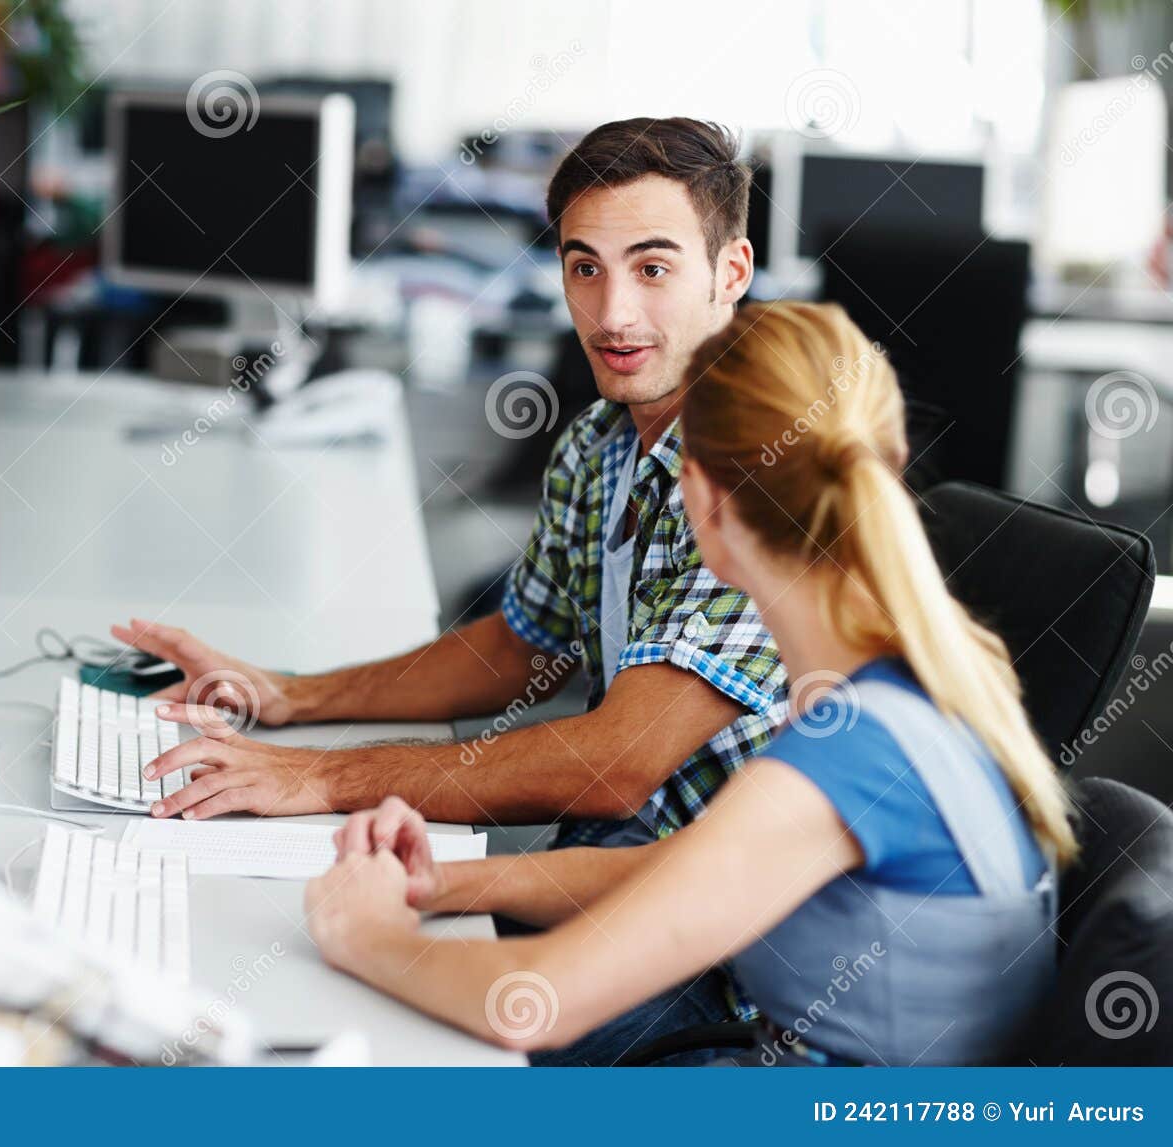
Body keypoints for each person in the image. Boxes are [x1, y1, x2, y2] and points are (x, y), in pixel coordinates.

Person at [118, 118, 783, 1061]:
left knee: (336, 1024)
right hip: (609, 872)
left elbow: (617, 761)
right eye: (584, 266)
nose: (612, 313)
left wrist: (319, 778)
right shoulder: (600, 442)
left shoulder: (764, 467)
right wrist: (289, 695)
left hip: (728, 971)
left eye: (653, 267)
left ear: (732, 271)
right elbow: (519, 646)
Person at [303, 301, 1077, 1067]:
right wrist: (440, 882)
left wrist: (364, 935)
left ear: (700, 499)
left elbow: (532, 1000)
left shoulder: (846, 757)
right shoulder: (919, 689)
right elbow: (684, 869)